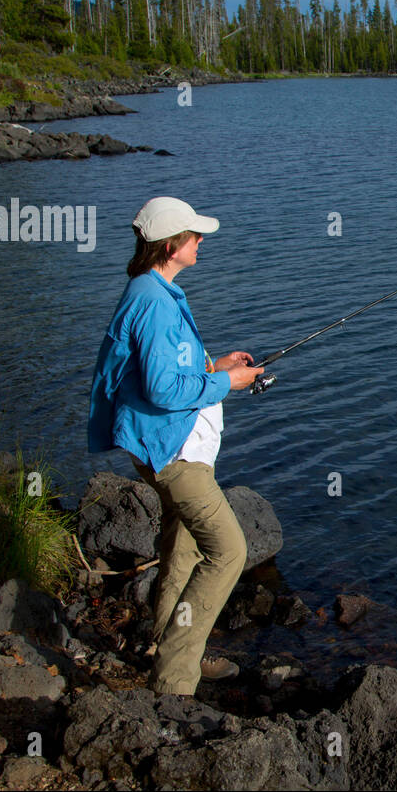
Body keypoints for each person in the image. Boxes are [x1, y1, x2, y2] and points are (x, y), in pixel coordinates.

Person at [87, 196, 264, 696]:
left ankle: (164, 642)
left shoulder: (152, 290)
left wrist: (214, 365)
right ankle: (174, 680)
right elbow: (165, 391)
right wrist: (228, 383)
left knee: (183, 547)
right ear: (171, 245)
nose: (200, 241)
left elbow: (161, 368)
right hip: (176, 455)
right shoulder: (153, 302)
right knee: (229, 552)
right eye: (193, 235)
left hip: (159, 447)